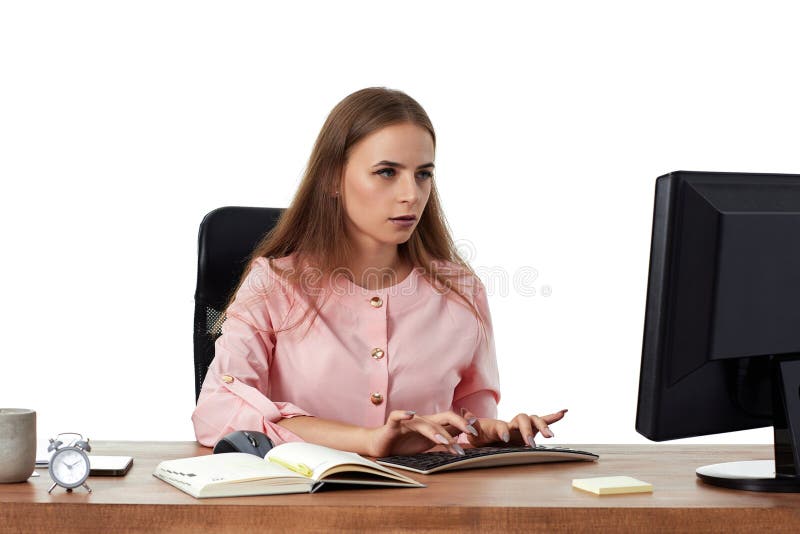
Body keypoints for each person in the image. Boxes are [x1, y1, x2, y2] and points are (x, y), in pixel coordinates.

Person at [192, 87, 567, 457]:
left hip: (428, 506)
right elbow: (216, 412)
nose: (412, 194)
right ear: (331, 179)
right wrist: (367, 440)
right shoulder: (274, 284)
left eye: (423, 174)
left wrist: (487, 436)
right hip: (302, 504)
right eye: (387, 172)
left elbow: (470, 424)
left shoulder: (462, 292)